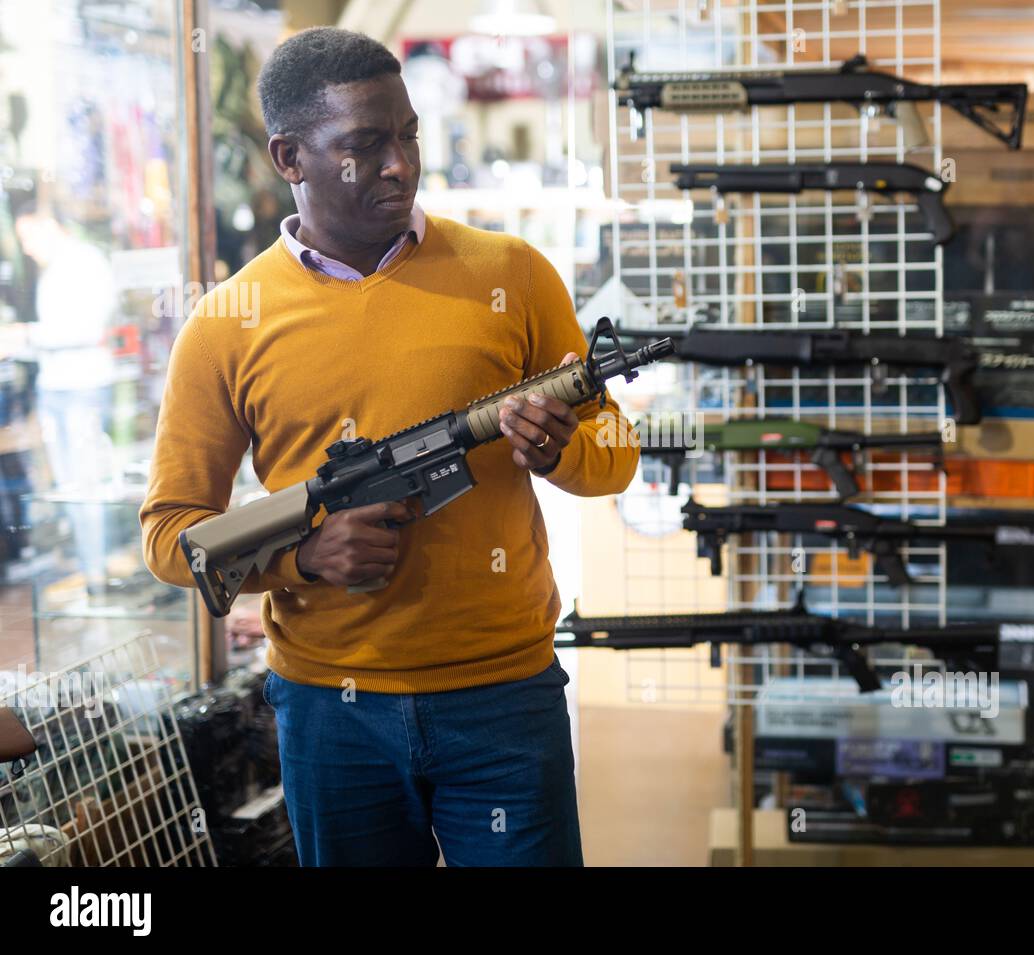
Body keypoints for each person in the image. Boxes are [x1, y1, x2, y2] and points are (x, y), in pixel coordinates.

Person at [139, 27, 639, 866]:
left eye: (407, 134)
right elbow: (169, 535)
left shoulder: (511, 273)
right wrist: (306, 559)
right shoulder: (225, 323)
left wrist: (557, 452)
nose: (401, 164)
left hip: (505, 694)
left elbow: (615, 451)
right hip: (333, 713)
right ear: (289, 156)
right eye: (363, 147)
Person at [13, 201, 118, 598]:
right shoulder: (55, 269)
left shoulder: (85, 263)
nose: (25, 248)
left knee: (86, 485)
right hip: (59, 387)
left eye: (28, 236)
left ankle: (97, 574)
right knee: (69, 483)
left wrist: (26, 336)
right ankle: (89, 566)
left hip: (83, 387)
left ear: (49, 226)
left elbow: (89, 329)